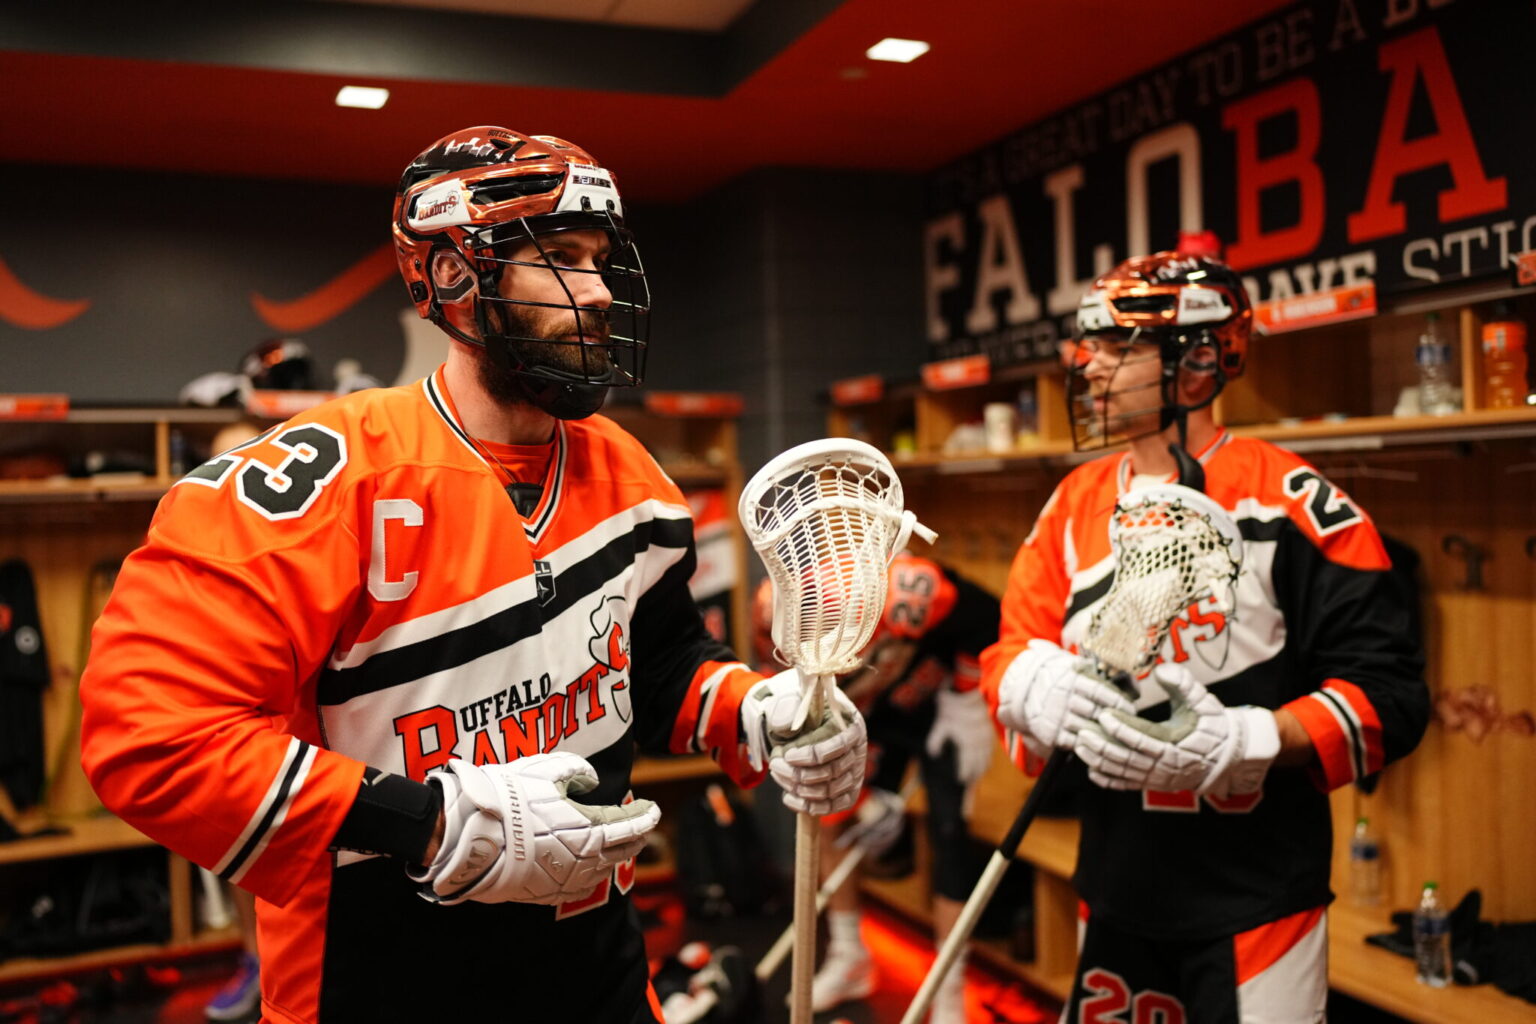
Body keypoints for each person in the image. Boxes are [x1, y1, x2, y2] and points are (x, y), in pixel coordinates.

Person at [78, 125, 866, 1024]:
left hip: (595, 964)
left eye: (600, 260)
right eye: (560, 259)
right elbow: (148, 733)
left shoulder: (630, 473)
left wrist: (757, 711)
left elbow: (657, 662)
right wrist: (433, 823)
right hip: (381, 978)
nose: (598, 291)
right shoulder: (332, 479)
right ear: (455, 274)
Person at [979, 251, 1430, 1022]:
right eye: (1090, 344)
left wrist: (1252, 740)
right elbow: (1010, 647)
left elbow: (1391, 695)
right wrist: (1030, 687)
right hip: (1115, 888)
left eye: (1116, 346)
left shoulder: (1293, 501)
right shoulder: (1072, 504)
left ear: (1195, 363)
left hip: (1257, 901)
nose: (1088, 365)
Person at [753, 553, 999, 1023]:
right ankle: (850, 955)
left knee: (950, 831)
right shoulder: (770, 612)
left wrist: (966, 699)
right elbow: (787, 705)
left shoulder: (907, 589)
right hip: (870, 708)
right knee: (828, 812)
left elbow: (987, 618)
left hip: (935, 697)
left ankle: (948, 988)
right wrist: (865, 798)